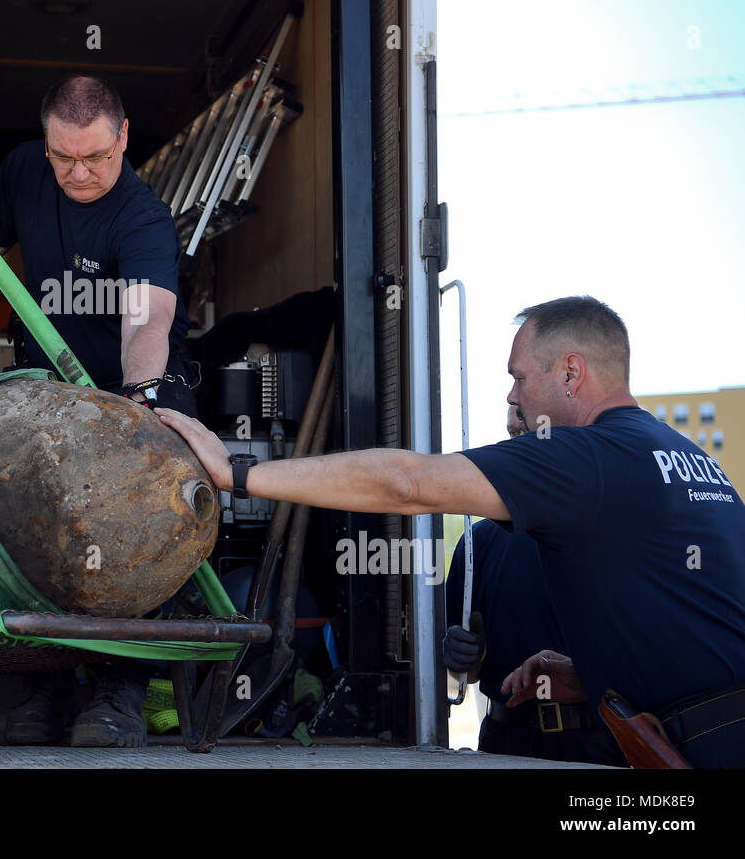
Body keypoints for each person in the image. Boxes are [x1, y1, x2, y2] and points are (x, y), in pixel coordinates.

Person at [159, 296, 745, 767]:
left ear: (571, 371)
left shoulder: (585, 457)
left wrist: (239, 472)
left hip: (704, 743)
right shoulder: (689, 458)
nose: (513, 395)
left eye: (519, 377)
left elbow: (407, 484)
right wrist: (591, 676)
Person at [0, 74, 196, 747]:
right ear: (46, 141)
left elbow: (147, 322)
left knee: (142, 515)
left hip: (131, 388)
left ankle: (119, 693)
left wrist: (139, 408)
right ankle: (44, 685)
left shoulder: (141, 217)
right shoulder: (27, 169)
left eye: (97, 157)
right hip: (46, 394)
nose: (78, 173)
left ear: (124, 138)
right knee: (26, 526)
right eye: (65, 157)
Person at [442, 407, 622, 764]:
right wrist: (462, 656)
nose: (521, 450)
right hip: (504, 744)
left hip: (597, 748)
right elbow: (467, 671)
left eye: (533, 437)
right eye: (514, 437)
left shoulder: (619, 535)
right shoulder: (478, 544)